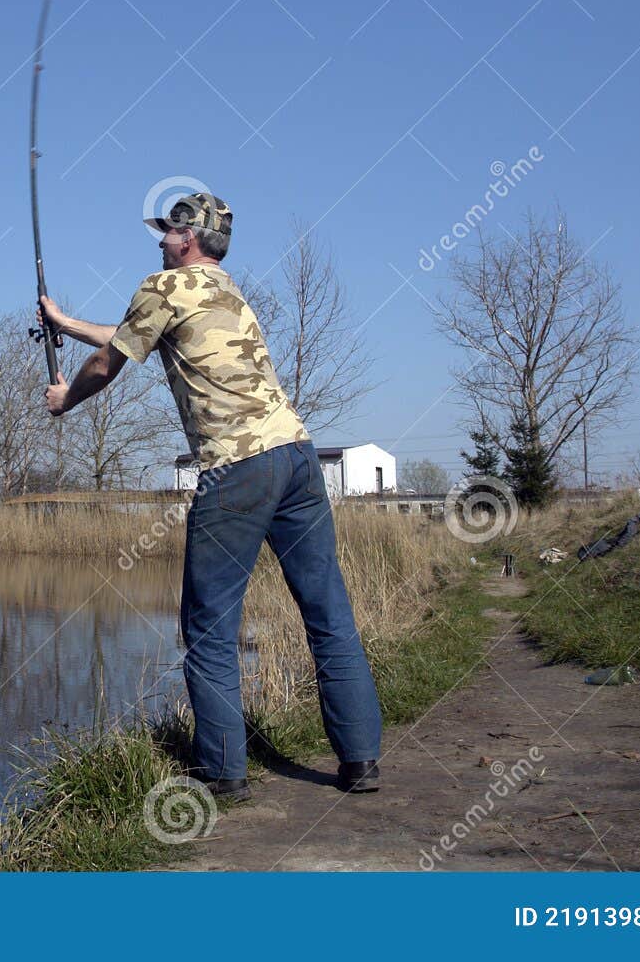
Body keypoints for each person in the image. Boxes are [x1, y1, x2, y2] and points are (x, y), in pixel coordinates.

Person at [37, 190, 382, 799]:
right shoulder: (226, 291)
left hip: (238, 468)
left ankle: (224, 773)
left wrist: (67, 398)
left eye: (168, 232)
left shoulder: (164, 286)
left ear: (188, 238)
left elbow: (109, 362)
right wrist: (64, 323)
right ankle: (360, 762)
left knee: (210, 625)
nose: (161, 241)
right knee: (327, 613)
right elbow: (132, 335)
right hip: (297, 458)